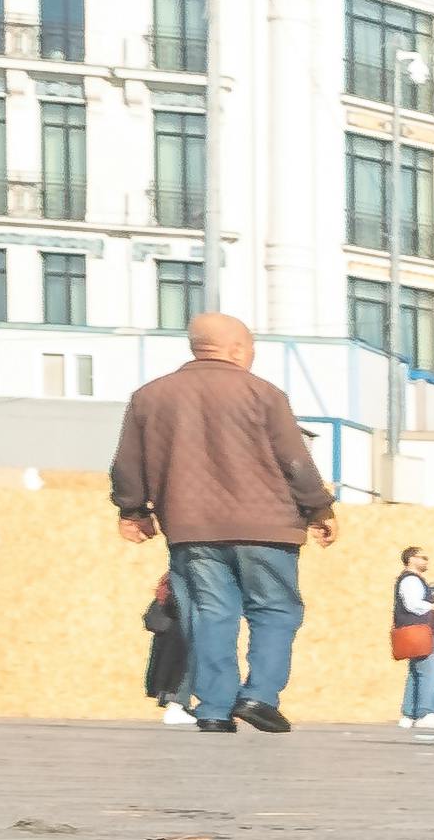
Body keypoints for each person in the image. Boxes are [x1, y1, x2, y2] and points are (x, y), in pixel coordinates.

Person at [107, 313, 334, 733]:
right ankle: (259, 696)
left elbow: (127, 462)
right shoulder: (263, 394)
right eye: (250, 350)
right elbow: (295, 459)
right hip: (267, 528)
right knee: (275, 610)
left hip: (192, 529)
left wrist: (133, 510)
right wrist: (318, 507)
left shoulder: (149, 396)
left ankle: (213, 708)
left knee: (210, 613)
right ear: (235, 349)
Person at [389, 545, 434, 722]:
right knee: (429, 673)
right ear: (411, 559)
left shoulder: (412, 579)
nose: (426, 561)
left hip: (416, 631)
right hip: (419, 631)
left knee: (417, 672)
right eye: (422, 557)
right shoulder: (410, 579)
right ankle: (424, 713)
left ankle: (410, 713)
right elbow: (412, 604)